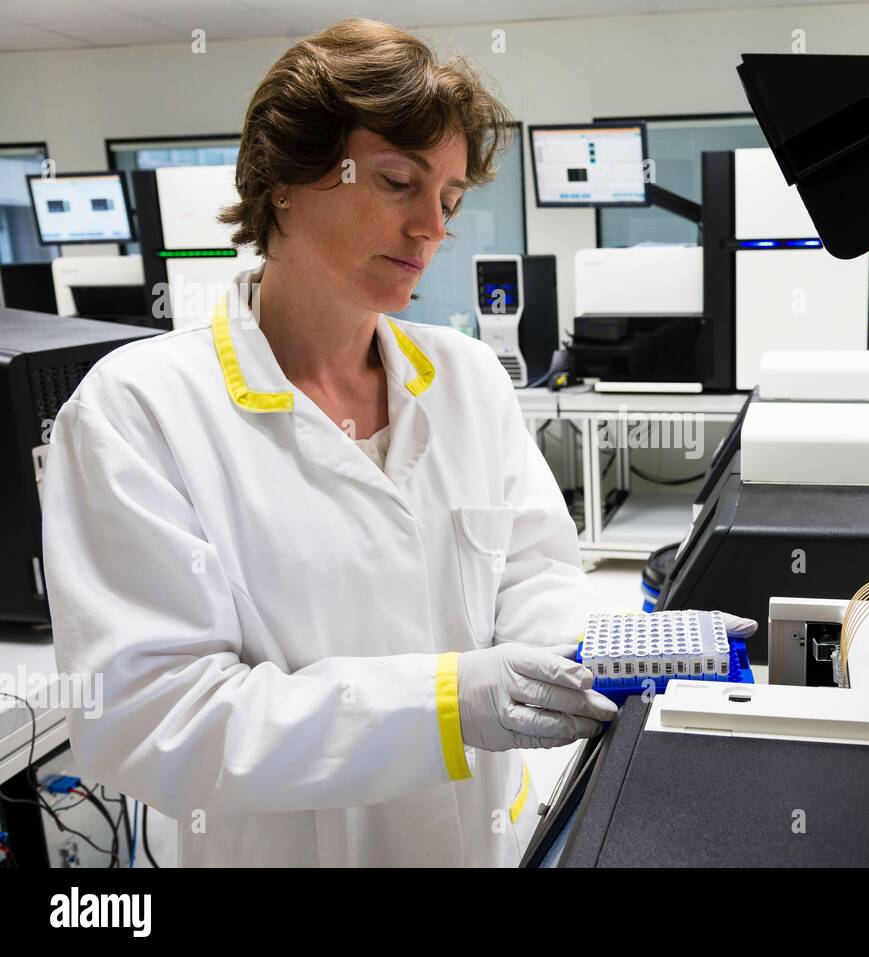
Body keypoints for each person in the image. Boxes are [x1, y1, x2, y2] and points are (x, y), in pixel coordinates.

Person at [42, 18, 755, 867]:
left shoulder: (466, 378)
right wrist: (448, 705)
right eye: (395, 182)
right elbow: (151, 717)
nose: (431, 229)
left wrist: (598, 652)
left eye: (449, 200)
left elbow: (534, 573)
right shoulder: (140, 410)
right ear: (285, 182)